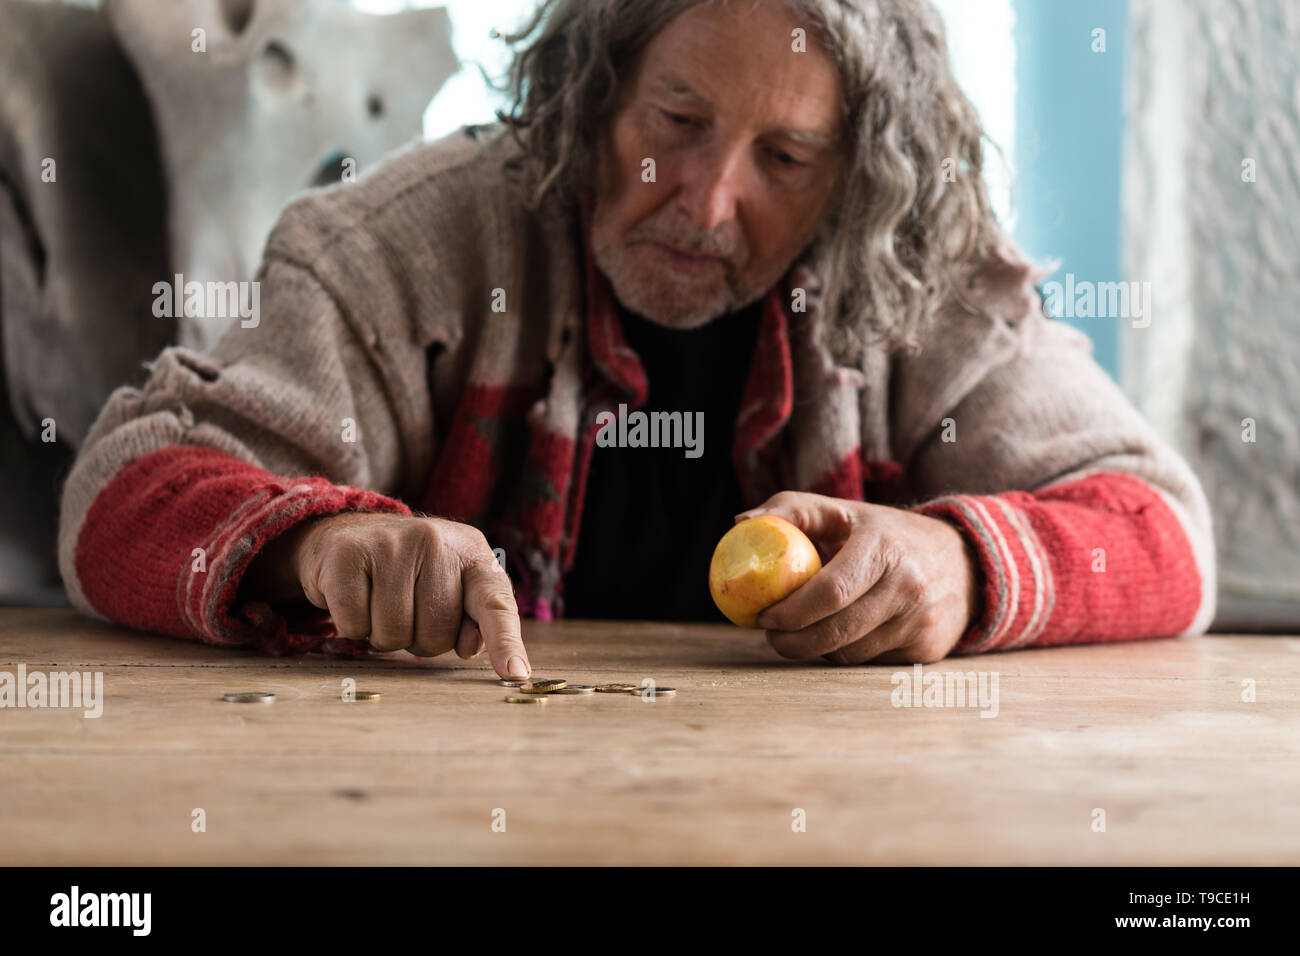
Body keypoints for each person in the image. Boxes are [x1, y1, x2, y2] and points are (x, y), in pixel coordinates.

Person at [57, 0, 1215, 680]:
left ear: (854, 178)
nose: (706, 204)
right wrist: (311, 547)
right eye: (678, 123)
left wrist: (965, 566)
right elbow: (121, 493)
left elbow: (1162, 535)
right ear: (592, 90)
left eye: (785, 160)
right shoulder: (405, 249)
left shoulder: (916, 274)